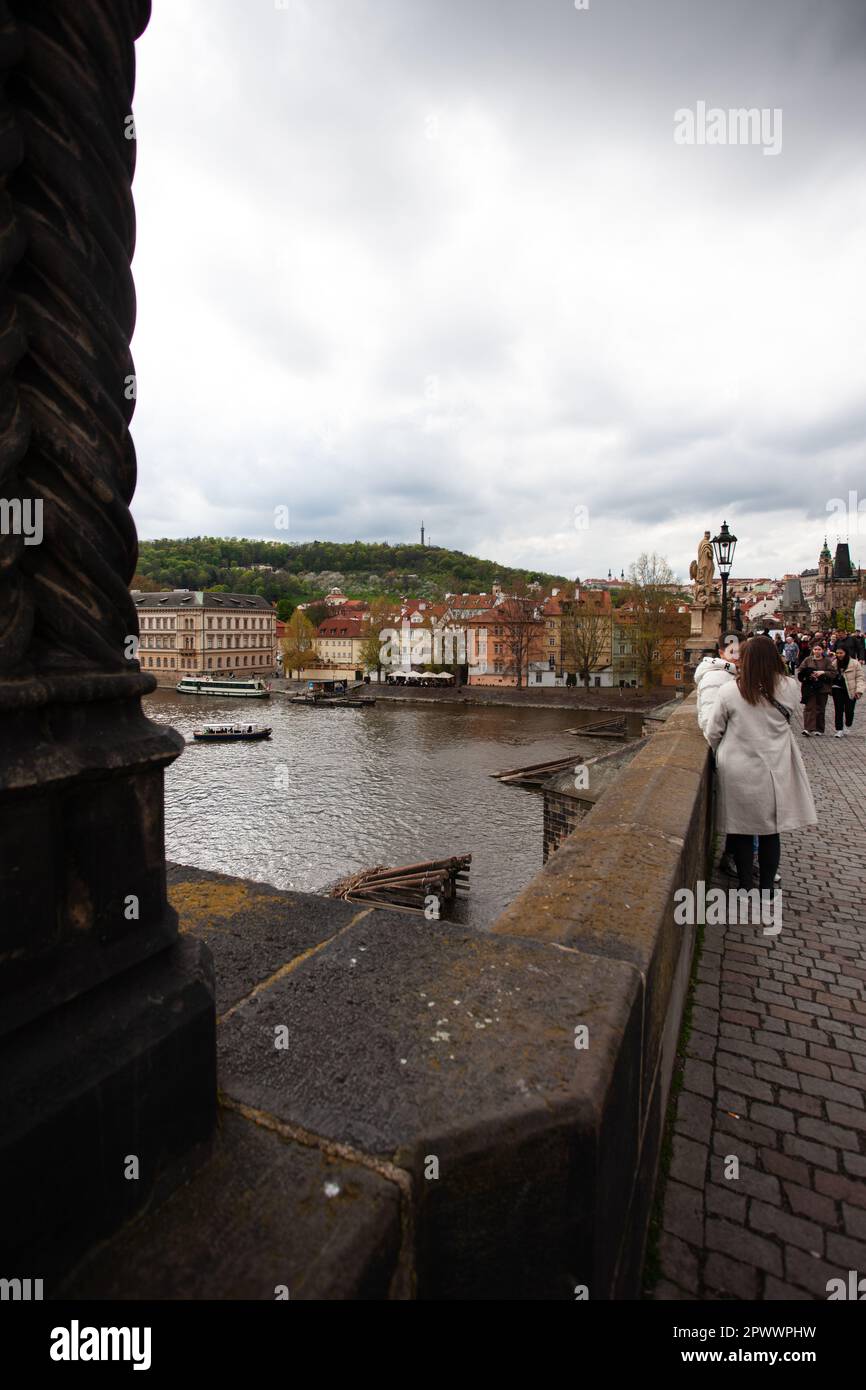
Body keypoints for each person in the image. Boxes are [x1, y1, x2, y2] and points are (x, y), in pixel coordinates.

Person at [704, 638, 817, 892]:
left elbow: (713, 731)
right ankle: (766, 887)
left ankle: (745, 885)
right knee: (770, 831)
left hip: (739, 767)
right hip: (776, 765)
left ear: (746, 660)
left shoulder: (731, 691)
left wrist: (718, 751)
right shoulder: (789, 686)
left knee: (742, 829)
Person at [797, 642, 835, 735]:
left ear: (823, 650)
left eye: (819, 649)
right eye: (815, 649)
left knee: (820, 708)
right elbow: (801, 670)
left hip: (823, 687)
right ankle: (808, 728)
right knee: (809, 707)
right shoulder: (808, 660)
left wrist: (823, 672)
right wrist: (809, 673)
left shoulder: (827, 661)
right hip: (810, 687)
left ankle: (819, 728)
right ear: (812, 650)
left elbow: (833, 673)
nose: (817, 651)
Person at [830, 645, 865, 736]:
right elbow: (829, 674)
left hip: (851, 689)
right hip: (837, 688)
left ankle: (847, 724)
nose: (839, 655)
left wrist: (859, 690)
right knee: (838, 709)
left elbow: (860, 677)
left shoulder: (854, 663)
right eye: (837, 653)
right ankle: (839, 729)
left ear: (846, 653)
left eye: (841, 653)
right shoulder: (834, 663)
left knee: (849, 710)